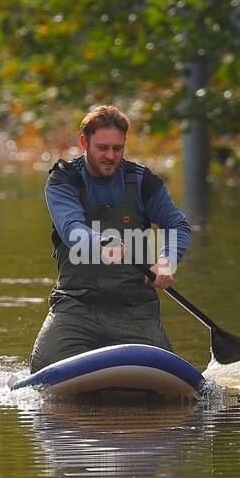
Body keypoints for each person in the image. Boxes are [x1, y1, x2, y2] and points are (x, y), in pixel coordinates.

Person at [28, 105, 191, 372]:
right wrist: (102, 243)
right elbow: (71, 229)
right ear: (84, 142)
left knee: (172, 378)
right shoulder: (63, 180)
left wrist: (166, 262)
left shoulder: (144, 182)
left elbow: (178, 225)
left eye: (118, 148)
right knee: (42, 371)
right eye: (102, 148)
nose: (110, 156)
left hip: (135, 308)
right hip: (76, 306)